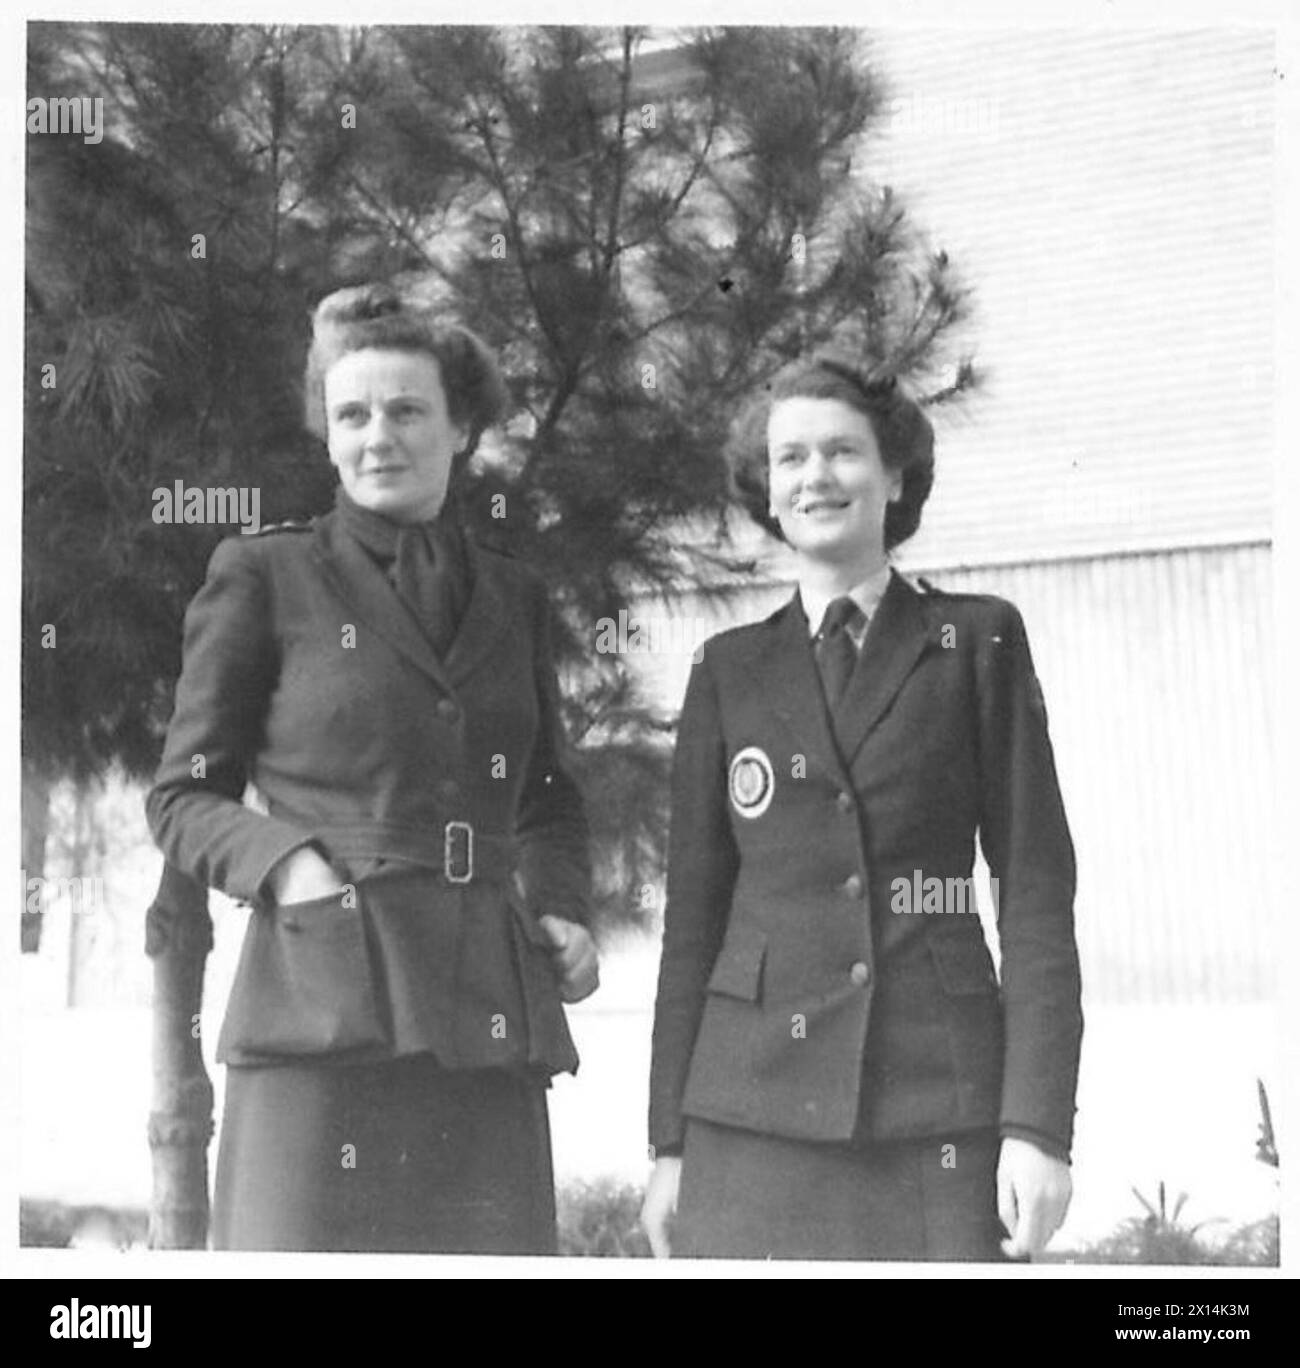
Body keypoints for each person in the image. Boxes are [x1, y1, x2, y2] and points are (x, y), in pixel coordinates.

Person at [146, 281, 598, 1254]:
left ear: (461, 426)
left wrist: (562, 906)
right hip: (318, 1006)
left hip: (486, 1012)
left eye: (405, 411)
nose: (377, 436)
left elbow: (548, 800)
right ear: (327, 434)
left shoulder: (515, 596)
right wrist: (291, 865)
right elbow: (182, 796)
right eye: (350, 414)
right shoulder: (264, 574)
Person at [641, 352, 1082, 1261]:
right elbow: (694, 920)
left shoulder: (976, 641)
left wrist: (1036, 1129)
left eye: (842, 452)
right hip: (747, 1111)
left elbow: (1035, 892)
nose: (814, 477)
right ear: (767, 488)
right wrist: (669, 1144)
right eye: (790, 458)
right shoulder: (727, 670)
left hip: (931, 1102)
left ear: (895, 474)